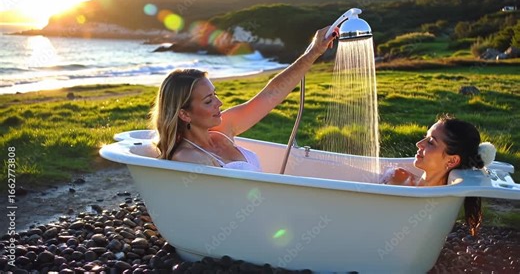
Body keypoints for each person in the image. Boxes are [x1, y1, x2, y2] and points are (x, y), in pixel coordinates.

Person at [149, 26, 338, 172]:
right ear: (184, 114)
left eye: (215, 95)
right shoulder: (188, 157)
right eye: (208, 101)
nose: (219, 103)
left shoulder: (222, 129)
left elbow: (270, 95)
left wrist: (314, 51)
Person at [380, 114, 497, 236]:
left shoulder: (433, 206)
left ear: (452, 161)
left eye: (430, 142)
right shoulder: (397, 175)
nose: (419, 143)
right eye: (425, 137)